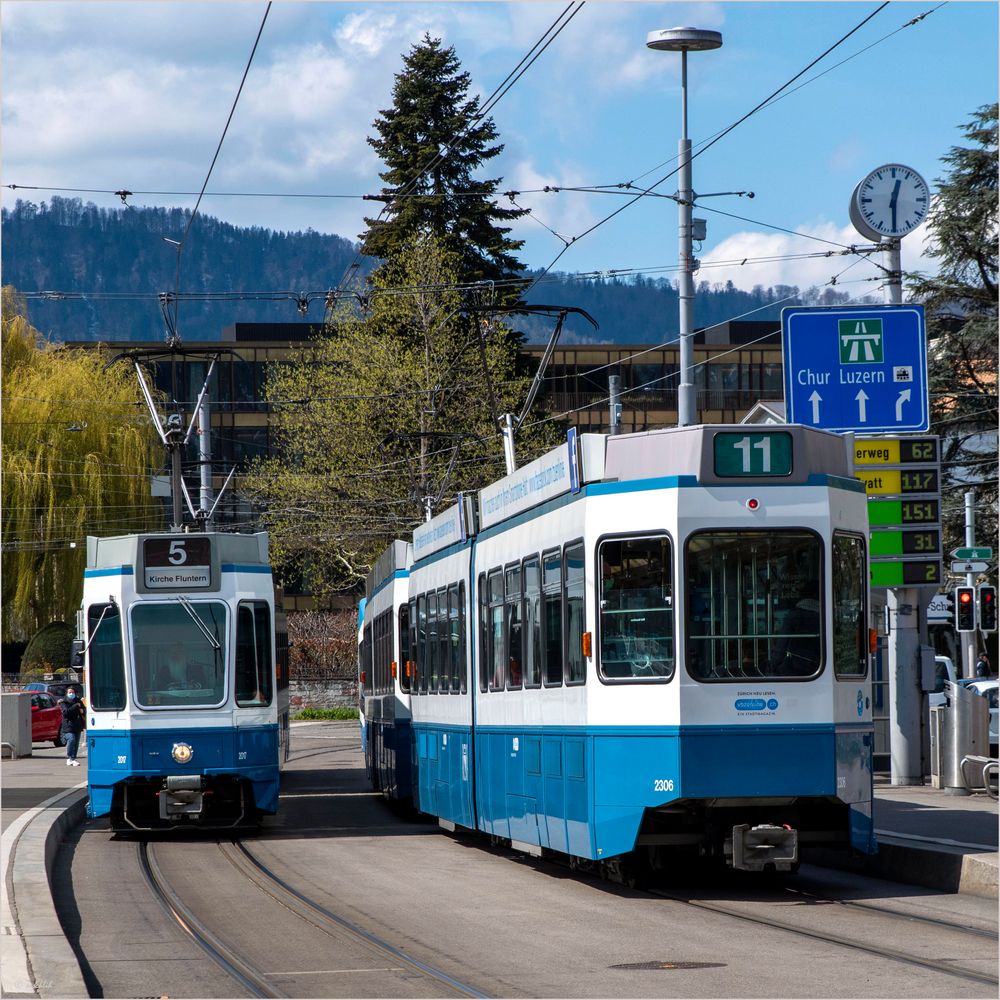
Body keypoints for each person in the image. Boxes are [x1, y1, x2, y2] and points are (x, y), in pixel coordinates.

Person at [59, 687, 86, 766]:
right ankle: (69, 757)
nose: (71, 694)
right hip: (68, 725)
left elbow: (84, 710)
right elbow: (66, 713)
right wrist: (75, 706)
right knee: (71, 739)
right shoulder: (63, 702)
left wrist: (82, 711)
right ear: (66, 693)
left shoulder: (78, 701)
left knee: (76, 743)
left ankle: (73, 759)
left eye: (73, 692)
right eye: (70, 692)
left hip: (77, 725)